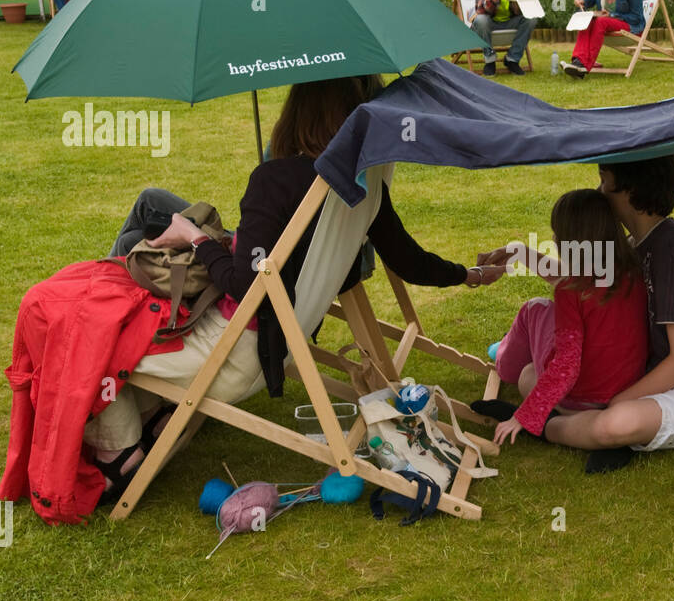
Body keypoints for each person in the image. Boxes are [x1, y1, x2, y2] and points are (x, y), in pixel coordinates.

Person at [86, 77, 507, 503]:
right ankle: (152, 409)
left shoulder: (275, 180)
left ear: (296, 112)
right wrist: (468, 275)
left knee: (113, 280)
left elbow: (246, 284)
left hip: (244, 338)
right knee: (143, 223)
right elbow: (408, 260)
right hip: (284, 320)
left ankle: (124, 433)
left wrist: (197, 240)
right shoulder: (363, 183)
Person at [493, 155, 674, 474]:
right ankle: (576, 422)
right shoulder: (639, 242)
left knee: (615, 422)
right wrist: (521, 255)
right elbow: (586, 285)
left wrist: (620, 401)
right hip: (664, 380)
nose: (599, 191)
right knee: (530, 376)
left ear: (630, 191)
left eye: (604, 181)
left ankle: (550, 427)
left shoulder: (670, 256)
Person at [475, 190, 648, 448]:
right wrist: (519, 253)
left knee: (534, 314)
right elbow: (575, 278)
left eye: (558, 233)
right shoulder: (632, 272)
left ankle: (504, 356)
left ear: (570, 242)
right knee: (532, 366)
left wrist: (524, 416)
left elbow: (567, 365)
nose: (554, 238)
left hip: (579, 398)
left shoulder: (570, 291)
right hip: (624, 391)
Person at [561, 0, 645, 79]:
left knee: (600, 21)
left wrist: (612, 15)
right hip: (607, 24)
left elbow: (637, 18)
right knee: (587, 19)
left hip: (631, 27)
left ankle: (584, 65)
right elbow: (587, 0)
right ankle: (578, 61)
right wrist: (581, 2)